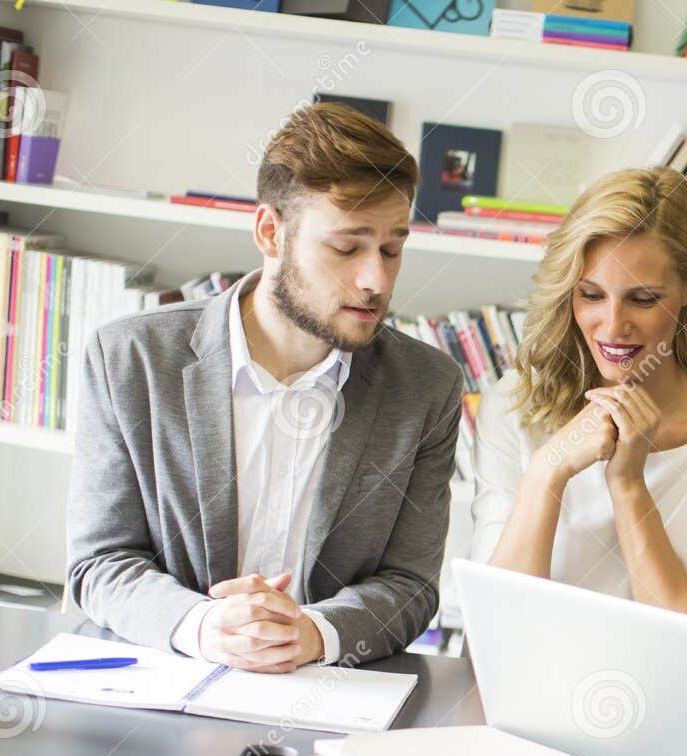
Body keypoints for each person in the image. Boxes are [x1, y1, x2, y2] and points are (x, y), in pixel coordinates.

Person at [67, 103, 461, 671]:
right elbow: (99, 564)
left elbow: (412, 584)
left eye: (393, 247)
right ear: (271, 232)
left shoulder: (428, 387)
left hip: (327, 700)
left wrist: (317, 632)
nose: (377, 279)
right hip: (165, 687)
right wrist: (203, 626)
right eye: (347, 247)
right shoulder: (130, 360)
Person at [470, 167, 687, 620]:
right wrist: (548, 470)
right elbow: (493, 620)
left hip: (660, 689)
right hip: (527, 683)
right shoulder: (512, 404)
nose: (614, 326)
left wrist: (628, 484)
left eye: (642, 299)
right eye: (591, 295)